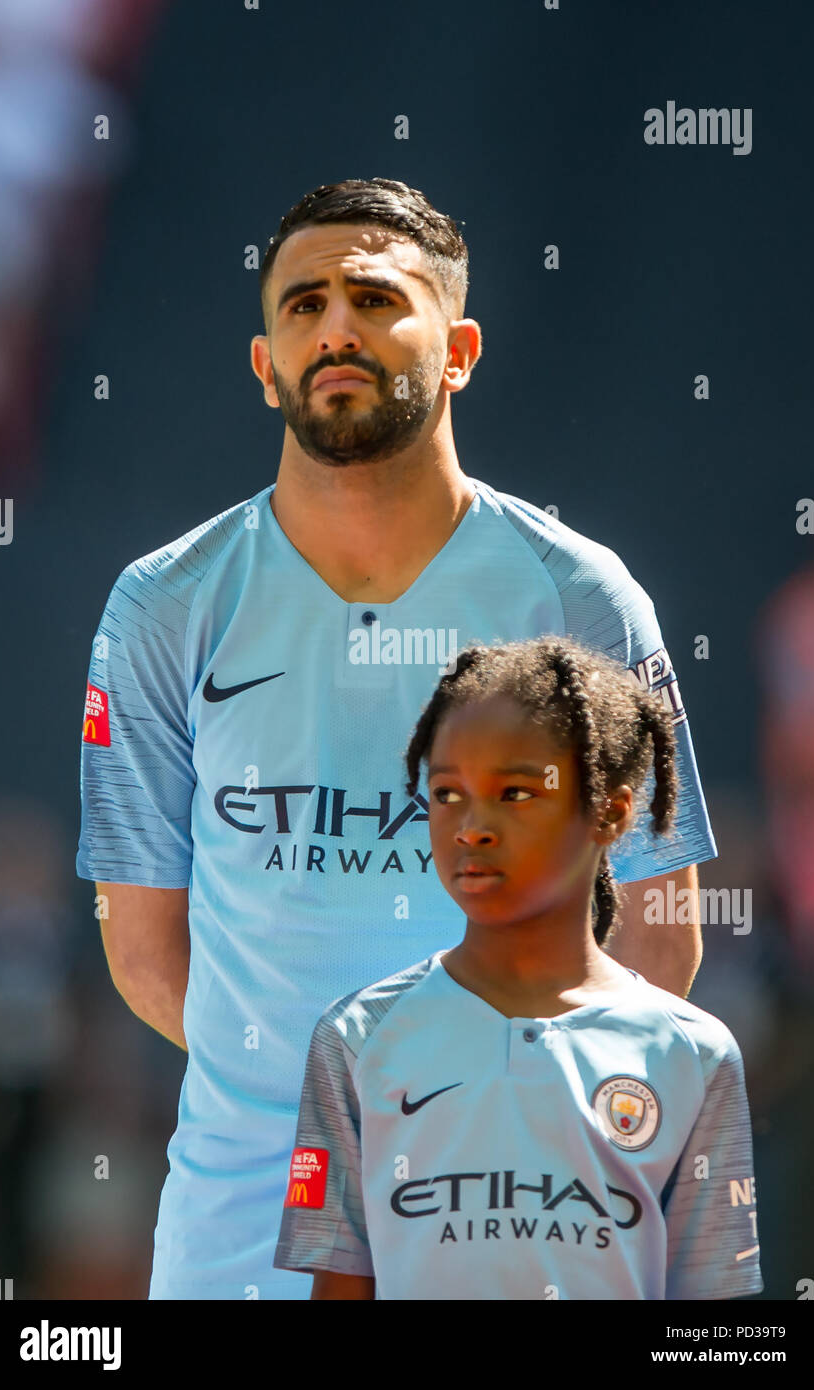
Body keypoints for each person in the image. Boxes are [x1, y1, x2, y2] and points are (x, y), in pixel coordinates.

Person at [75, 177, 716, 1300]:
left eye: (374, 298)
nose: (335, 327)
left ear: (459, 347)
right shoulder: (163, 606)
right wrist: (310, 1092)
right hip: (238, 1245)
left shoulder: (579, 599)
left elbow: (662, 934)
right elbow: (142, 948)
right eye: (303, 303)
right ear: (264, 361)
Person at [274, 636, 762, 1300]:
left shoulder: (694, 1055)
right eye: (447, 793)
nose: (472, 826)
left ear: (612, 809)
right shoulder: (357, 1039)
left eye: (514, 792)